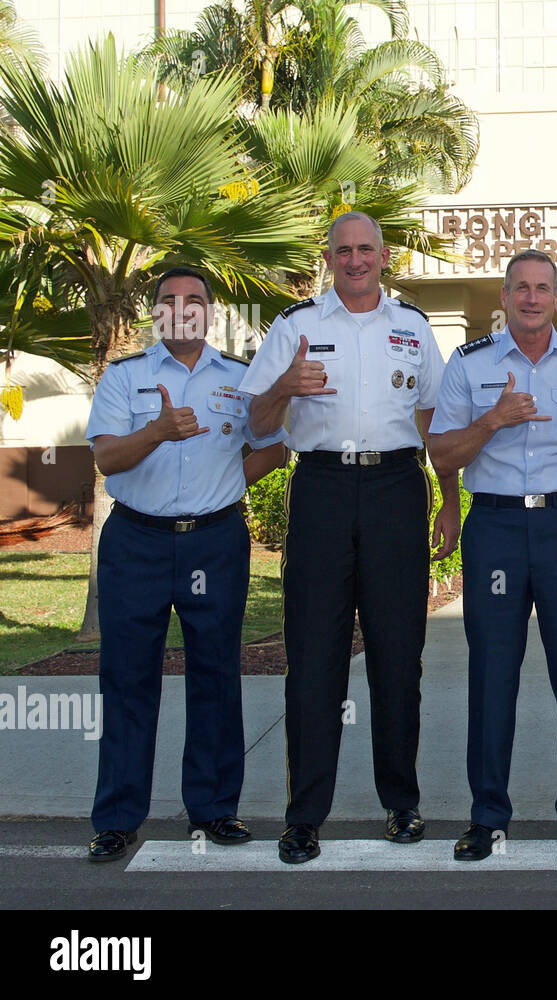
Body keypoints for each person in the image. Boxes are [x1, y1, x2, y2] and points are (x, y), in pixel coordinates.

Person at [240, 212, 461, 864]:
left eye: (367, 249)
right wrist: (286, 384)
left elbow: (435, 424)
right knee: (313, 659)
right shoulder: (296, 326)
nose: (356, 259)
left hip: (396, 488)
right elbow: (254, 420)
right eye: (344, 250)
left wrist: (449, 502)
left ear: (384, 256)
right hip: (322, 491)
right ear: (329, 257)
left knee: (399, 656)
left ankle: (402, 804)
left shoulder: (413, 328)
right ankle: (304, 817)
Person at [85, 266, 287, 862]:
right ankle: (118, 818)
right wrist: (157, 431)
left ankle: (216, 809)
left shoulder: (240, 378)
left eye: (194, 301)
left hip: (213, 541)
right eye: (169, 301)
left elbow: (272, 447)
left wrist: (222, 482)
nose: (183, 309)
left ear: (210, 312)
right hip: (136, 542)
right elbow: (107, 459)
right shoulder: (125, 377)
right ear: (155, 312)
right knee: (127, 679)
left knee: (216, 674)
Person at [427, 249, 557, 862]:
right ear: (502, 298)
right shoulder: (468, 363)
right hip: (496, 529)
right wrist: (494, 421)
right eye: (520, 289)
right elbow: (444, 455)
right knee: (492, 673)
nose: (532, 299)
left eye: (543, 289)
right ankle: (486, 816)